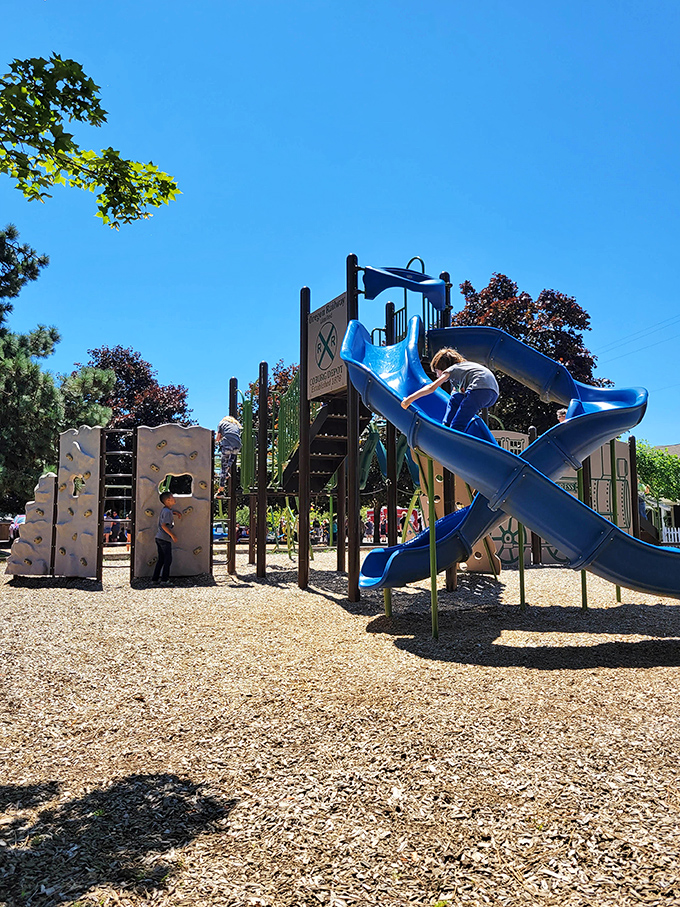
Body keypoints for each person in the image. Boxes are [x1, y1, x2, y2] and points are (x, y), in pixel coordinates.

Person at [401, 347, 499, 432]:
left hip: (478, 390)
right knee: (456, 397)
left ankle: (452, 433)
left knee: (458, 424)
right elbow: (455, 397)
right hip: (493, 395)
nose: (436, 375)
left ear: (442, 368)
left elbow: (431, 388)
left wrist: (408, 400)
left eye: (436, 371)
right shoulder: (464, 368)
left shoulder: (451, 369)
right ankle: (447, 425)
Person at [152, 491, 182, 583]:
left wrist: (174, 512)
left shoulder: (165, 510)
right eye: (172, 497)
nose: (174, 498)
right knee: (168, 559)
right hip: (164, 538)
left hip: (159, 537)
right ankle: (164, 580)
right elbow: (164, 525)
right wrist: (173, 535)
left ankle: (155, 579)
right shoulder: (167, 512)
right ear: (168, 500)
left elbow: (167, 514)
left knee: (161, 559)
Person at [216, 415, 243, 495]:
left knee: (223, 466)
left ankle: (221, 490)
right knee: (228, 464)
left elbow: (218, 438)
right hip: (237, 446)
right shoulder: (237, 425)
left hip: (227, 444)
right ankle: (226, 474)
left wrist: (216, 442)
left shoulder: (221, 423)